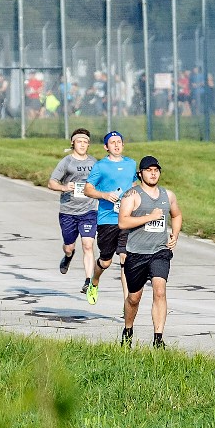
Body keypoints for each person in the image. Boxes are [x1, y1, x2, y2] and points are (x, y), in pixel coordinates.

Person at [116, 155, 181, 348]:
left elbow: (177, 215)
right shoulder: (131, 195)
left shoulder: (168, 195)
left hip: (159, 251)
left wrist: (175, 234)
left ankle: (158, 339)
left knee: (160, 291)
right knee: (134, 298)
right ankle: (128, 329)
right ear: (140, 174)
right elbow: (122, 222)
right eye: (148, 170)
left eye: (156, 170)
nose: (153, 174)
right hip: (136, 253)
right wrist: (149, 217)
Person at [82, 130, 138, 304]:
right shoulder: (100, 166)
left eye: (119, 142)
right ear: (106, 147)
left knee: (125, 258)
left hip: (126, 218)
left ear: (123, 144)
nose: (116, 145)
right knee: (105, 261)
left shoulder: (131, 164)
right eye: (112, 143)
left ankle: (127, 303)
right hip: (107, 219)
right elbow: (87, 189)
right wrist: (104, 195)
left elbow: (134, 184)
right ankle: (94, 281)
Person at [47, 128, 97, 279]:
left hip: (89, 210)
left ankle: (88, 281)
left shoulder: (94, 162)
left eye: (85, 142)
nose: (82, 145)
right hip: (68, 211)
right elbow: (51, 183)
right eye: (79, 141)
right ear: (73, 143)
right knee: (69, 247)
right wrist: (64, 187)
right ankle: (68, 256)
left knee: (88, 245)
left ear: (88, 144)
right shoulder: (67, 162)